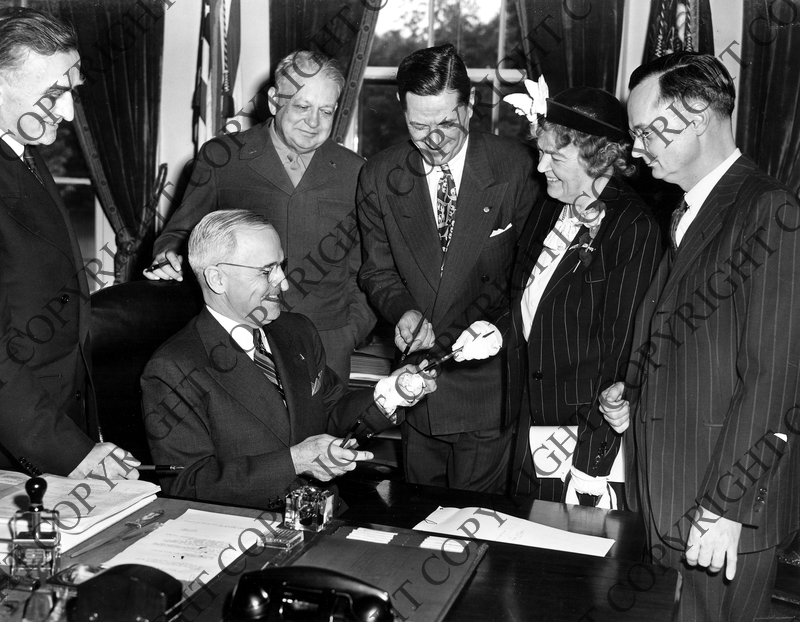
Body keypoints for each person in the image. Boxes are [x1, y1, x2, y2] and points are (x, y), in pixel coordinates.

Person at [602, 52, 800, 622]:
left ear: (696, 115)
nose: (637, 148)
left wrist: (727, 506)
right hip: (673, 493)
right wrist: (634, 392)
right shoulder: (690, 209)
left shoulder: (768, 209)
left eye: (646, 131)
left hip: (718, 510)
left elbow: (776, 375)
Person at [142, 210, 436, 510]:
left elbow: (333, 415)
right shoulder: (173, 367)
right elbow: (188, 485)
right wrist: (295, 462)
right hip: (247, 528)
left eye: (281, 266)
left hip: (325, 516)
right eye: (266, 271)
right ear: (217, 279)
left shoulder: (296, 331)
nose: (283, 283)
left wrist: (389, 394)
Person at [357, 43, 539, 493]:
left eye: (445, 123)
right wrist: (403, 311)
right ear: (402, 110)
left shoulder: (519, 167)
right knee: (417, 521)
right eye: (419, 126)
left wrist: (492, 328)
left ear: (470, 106)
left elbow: (533, 275)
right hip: (417, 390)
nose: (434, 140)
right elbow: (377, 272)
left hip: (488, 391)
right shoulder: (380, 176)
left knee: (474, 525)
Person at [146, 50, 374, 383]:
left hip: (326, 344)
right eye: (302, 107)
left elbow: (367, 266)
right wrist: (167, 255)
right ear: (273, 101)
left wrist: (351, 331)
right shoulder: (223, 158)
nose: (314, 122)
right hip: (240, 336)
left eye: (326, 111)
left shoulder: (356, 171)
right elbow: (181, 234)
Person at [501, 79, 661, 505]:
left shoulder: (632, 228)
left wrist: (592, 466)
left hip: (582, 443)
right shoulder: (549, 203)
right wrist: (493, 332)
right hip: (529, 428)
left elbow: (621, 357)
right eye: (540, 153)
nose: (541, 167)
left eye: (555, 157)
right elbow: (529, 301)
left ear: (598, 157)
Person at [0, 7, 139, 479]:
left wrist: (83, 438)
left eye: (71, 92)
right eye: (53, 94)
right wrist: (70, 454)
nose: (67, 112)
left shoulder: (23, 152)